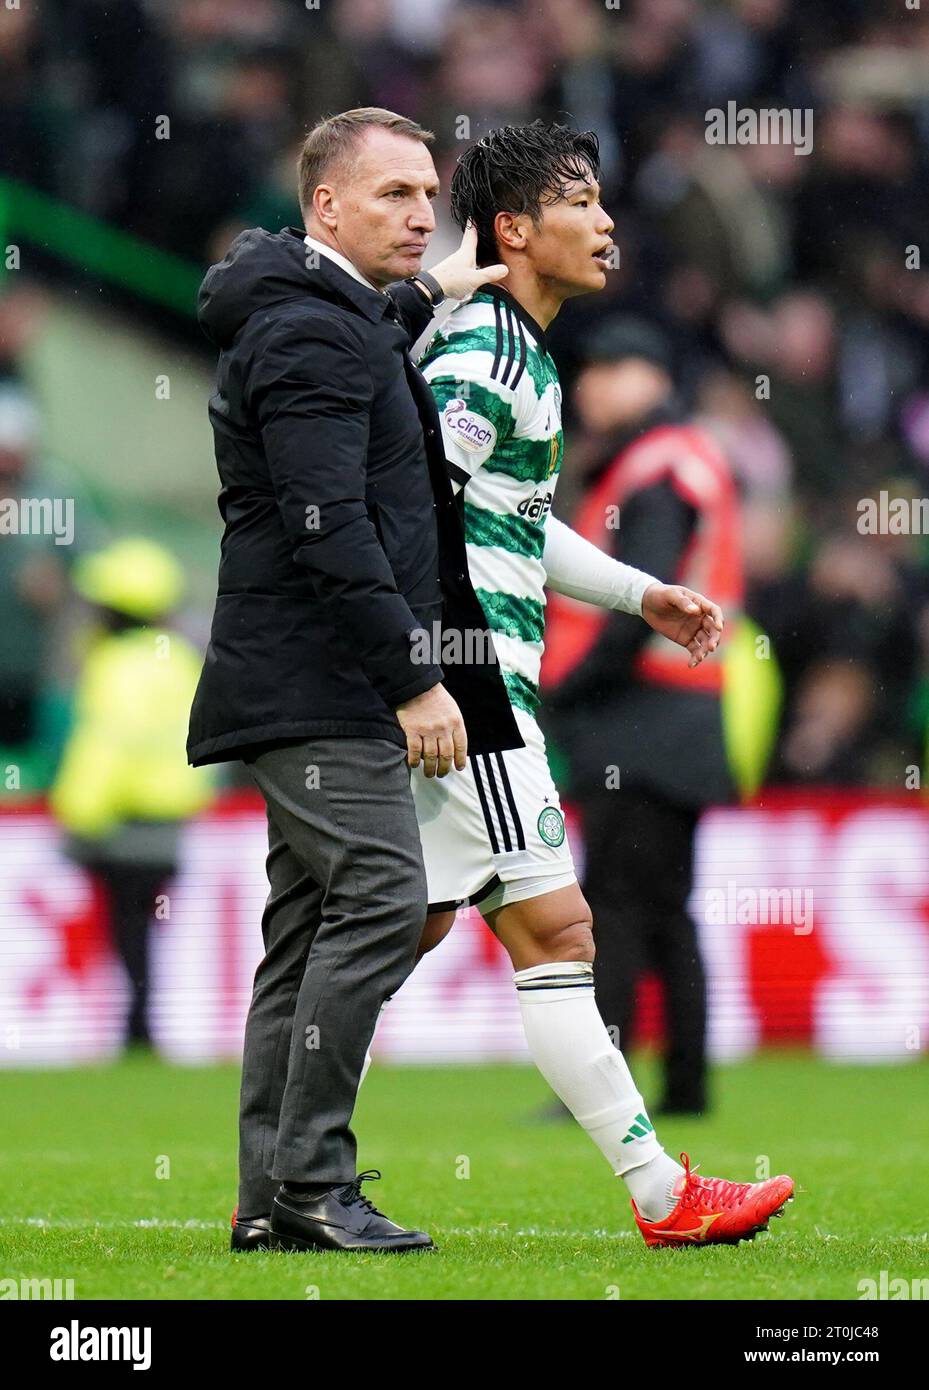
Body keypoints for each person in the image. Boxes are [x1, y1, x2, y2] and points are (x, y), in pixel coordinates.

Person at [407, 123, 792, 1248]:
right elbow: (413, 501)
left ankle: (283, 1167)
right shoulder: (480, 349)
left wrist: (638, 595)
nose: (606, 220)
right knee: (560, 930)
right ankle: (662, 1193)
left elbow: (510, 522)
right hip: (469, 691)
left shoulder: (519, 351)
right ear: (513, 228)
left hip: (463, 685)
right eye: (579, 200)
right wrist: (428, 671)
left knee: (394, 933)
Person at [186, 107, 521, 1254]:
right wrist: (413, 679)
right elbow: (329, 525)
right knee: (381, 900)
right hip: (324, 682)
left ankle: (267, 1195)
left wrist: (438, 291)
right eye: (394, 195)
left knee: (306, 930)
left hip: (299, 677)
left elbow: (360, 338)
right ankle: (310, 1181)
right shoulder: (312, 336)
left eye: (429, 194)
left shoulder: (310, 314)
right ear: (325, 205)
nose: (422, 213)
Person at [543, 318, 744, 1117]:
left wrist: (564, 688)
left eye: (603, 369)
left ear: (650, 377)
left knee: (619, 908)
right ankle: (686, 1086)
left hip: (641, 719)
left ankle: (602, 1090)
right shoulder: (678, 460)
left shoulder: (653, 468)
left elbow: (639, 605)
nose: (586, 387)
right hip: (683, 716)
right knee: (664, 908)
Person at [50, 537, 214, 1049]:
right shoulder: (179, 660)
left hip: (122, 822)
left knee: (126, 925)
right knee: (146, 925)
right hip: (170, 821)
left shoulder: (115, 665)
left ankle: (137, 1027)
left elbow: (105, 747)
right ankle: (142, 1021)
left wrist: (79, 812)